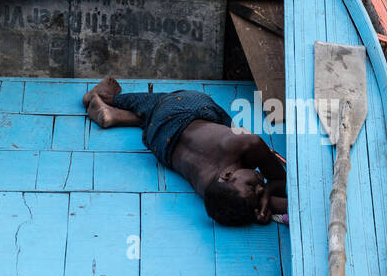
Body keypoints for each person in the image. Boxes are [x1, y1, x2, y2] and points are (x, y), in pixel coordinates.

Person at [83, 77, 287, 227]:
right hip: (158, 144)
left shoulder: (244, 148)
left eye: (254, 188)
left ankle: (106, 98)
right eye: (254, 187)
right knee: (163, 114)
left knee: (160, 102)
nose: (260, 187)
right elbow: (283, 187)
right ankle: (121, 116)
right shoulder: (213, 190)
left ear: (226, 177)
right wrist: (266, 198)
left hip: (175, 111)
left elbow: (279, 186)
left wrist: (264, 194)